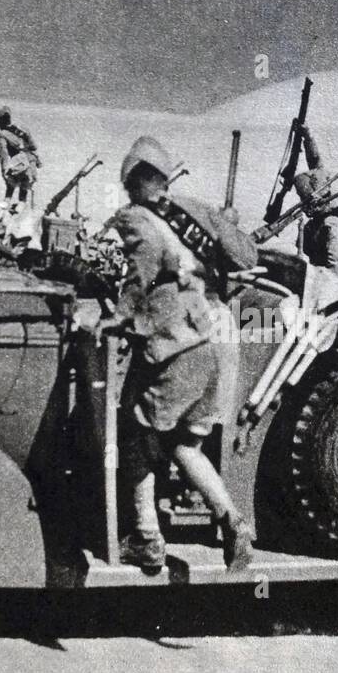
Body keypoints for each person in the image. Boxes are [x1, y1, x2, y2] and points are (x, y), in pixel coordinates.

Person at [101, 135, 258, 572]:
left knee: (135, 436)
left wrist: (118, 318)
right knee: (186, 443)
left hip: (185, 344)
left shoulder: (139, 218)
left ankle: (147, 536)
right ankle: (235, 523)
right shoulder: (192, 210)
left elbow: (141, 272)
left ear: (133, 180)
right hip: (222, 342)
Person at [293, 127, 338, 275]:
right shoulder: (313, 225)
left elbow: (335, 269)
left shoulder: (331, 224)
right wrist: (307, 136)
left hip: (329, 285)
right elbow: (315, 162)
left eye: (308, 201)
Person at [0, 105, 40, 203]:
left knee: (8, 194)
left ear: (0, 121)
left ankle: (3, 215)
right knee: (22, 199)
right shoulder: (23, 129)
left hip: (19, 167)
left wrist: (4, 172)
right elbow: (34, 147)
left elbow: (4, 154)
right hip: (31, 166)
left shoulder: (2, 135)